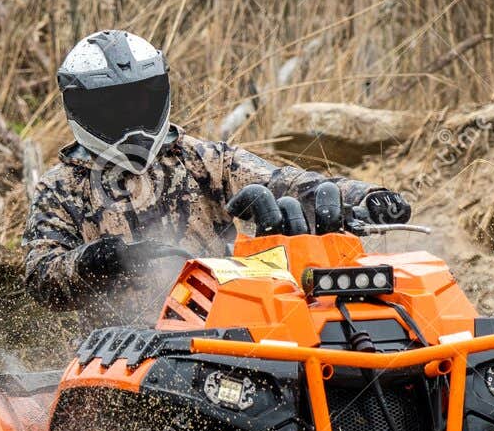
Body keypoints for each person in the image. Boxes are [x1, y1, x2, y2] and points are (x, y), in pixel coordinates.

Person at [23, 29, 412, 315]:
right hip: (120, 351)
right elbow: (41, 277)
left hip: (220, 331)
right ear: (81, 108)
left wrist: (364, 196)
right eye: (112, 108)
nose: (129, 118)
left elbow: (280, 181)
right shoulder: (59, 188)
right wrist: (101, 259)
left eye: (139, 101)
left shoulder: (200, 159)